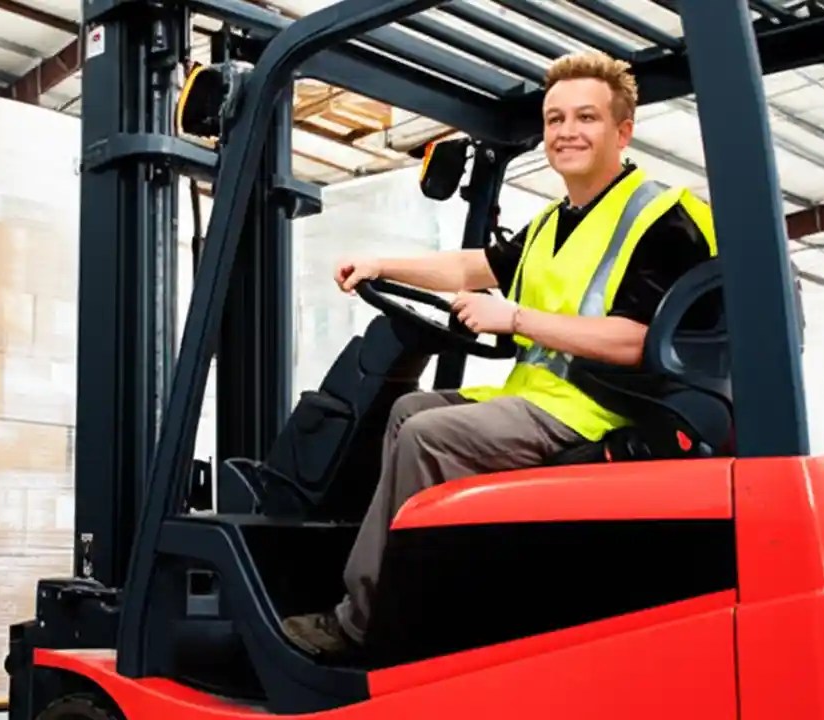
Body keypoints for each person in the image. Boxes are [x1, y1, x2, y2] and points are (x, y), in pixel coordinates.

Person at [280, 51, 720, 659]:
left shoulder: (664, 219)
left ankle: (368, 628)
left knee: (428, 437)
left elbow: (639, 340)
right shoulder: (553, 222)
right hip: (542, 399)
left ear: (623, 130)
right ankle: (422, 592)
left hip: (608, 410)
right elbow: (473, 265)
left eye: (585, 117)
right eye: (556, 118)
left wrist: (513, 317)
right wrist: (382, 263)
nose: (566, 132)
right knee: (408, 410)